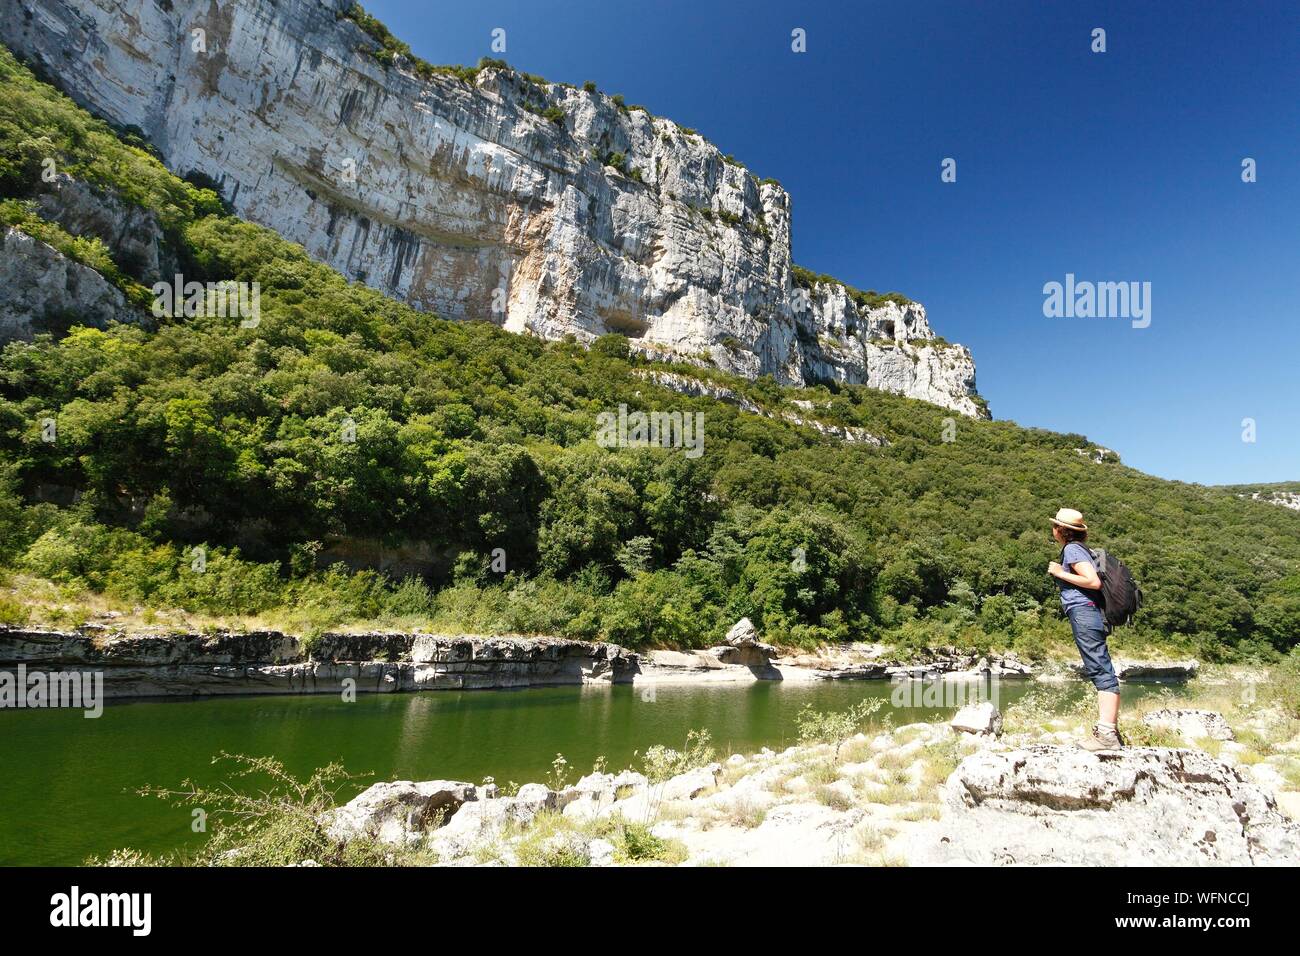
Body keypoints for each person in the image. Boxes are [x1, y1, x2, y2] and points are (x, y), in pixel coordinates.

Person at [1047, 507, 1123, 750]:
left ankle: (1107, 735)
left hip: (1085, 611)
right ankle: (1108, 731)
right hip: (1091, 612)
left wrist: (1060, 572)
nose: (1053, 529)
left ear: (1062, 530)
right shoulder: (1083, 549)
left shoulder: (1072, 549)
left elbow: (1093, 581)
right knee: (1100, 666)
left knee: (1100, 668)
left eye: (1055, 526)